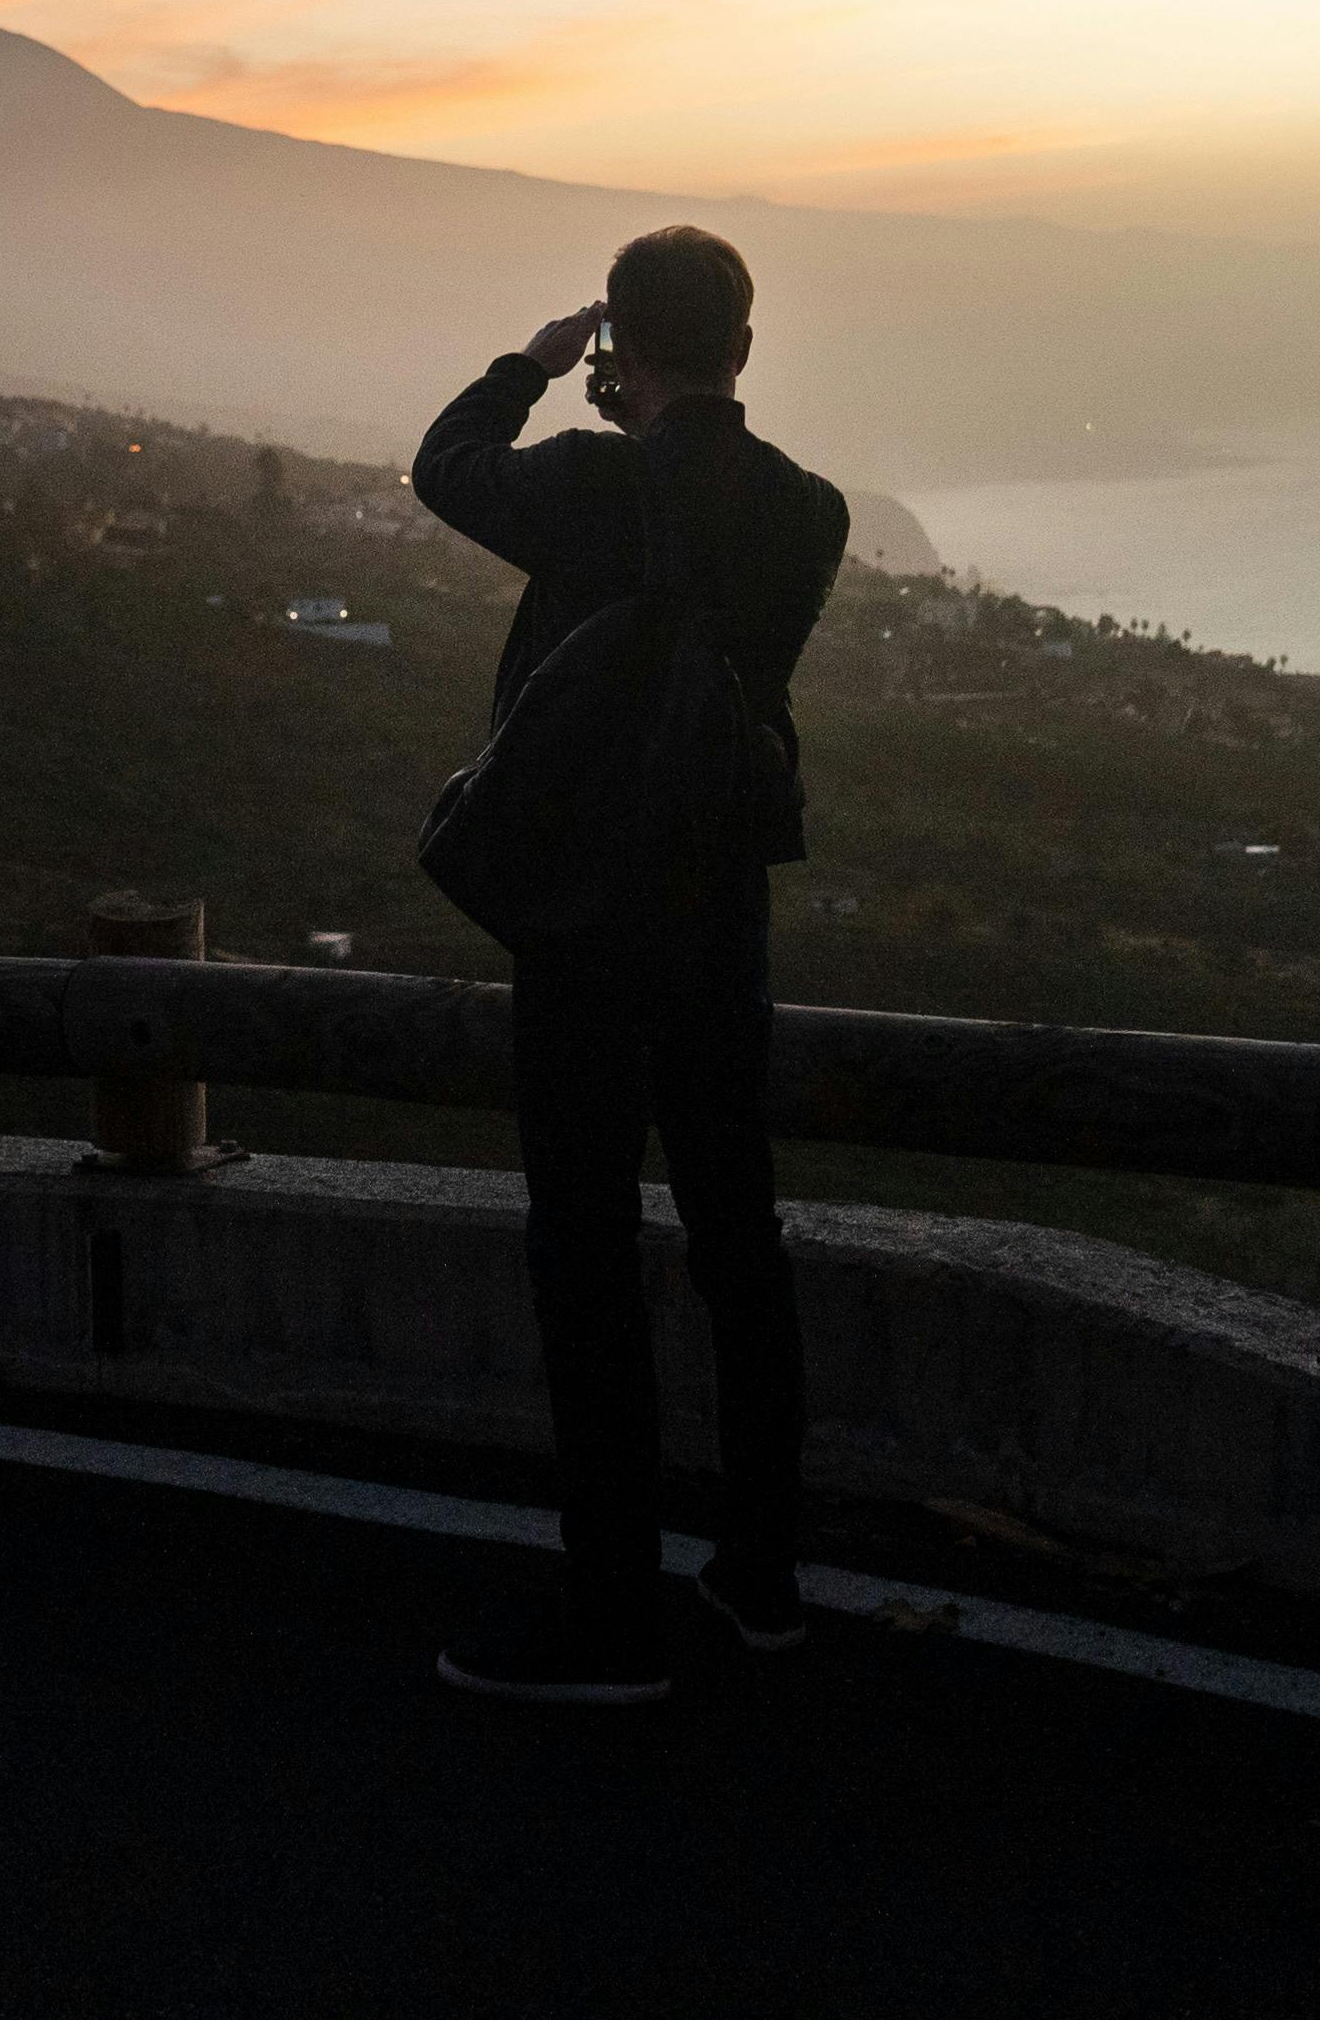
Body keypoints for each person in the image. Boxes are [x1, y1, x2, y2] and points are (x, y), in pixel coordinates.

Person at [410, 224, 850, 1704]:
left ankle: (610, 1614)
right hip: (722, 903)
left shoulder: (591, 486)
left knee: (585, 1252)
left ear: (623, 344)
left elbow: (447, 467)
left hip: (590, 912)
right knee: (741, 1234)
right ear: (742, 342)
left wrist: (530, 368)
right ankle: (762, 1574)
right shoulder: (811, 510)